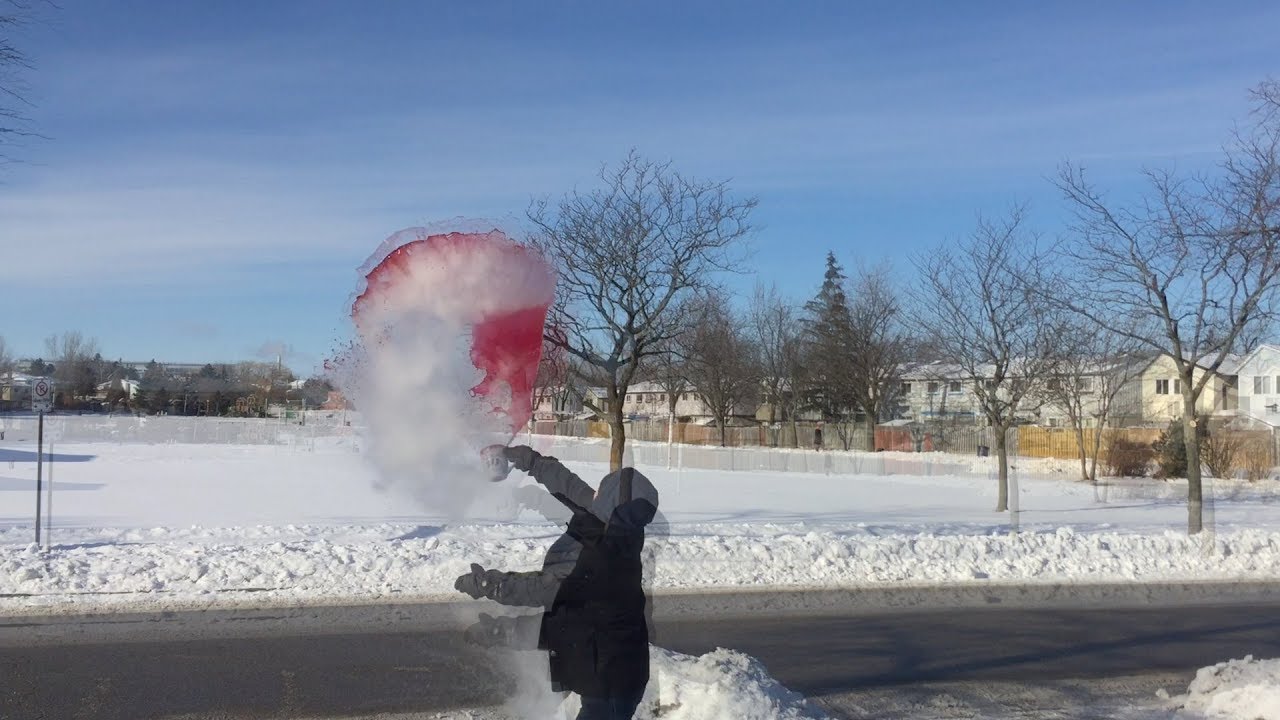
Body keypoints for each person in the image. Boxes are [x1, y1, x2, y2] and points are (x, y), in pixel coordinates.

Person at [455, 445, 659, 720]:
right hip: (601, 662)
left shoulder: (604, 557)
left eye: (601, 490)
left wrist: (488, 585)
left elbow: (542, 589)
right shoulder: (614, 524)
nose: (594, 493)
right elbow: (570, 487)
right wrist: (529, 460)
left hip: (611, 685)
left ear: (610, 502)